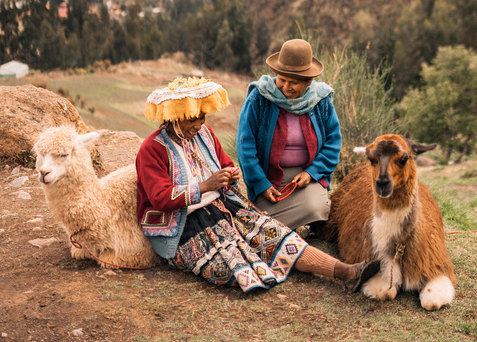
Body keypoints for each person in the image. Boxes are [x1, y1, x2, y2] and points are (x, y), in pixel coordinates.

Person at [135, 74, 375, 293]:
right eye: (192, 119)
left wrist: (230, 174)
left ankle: (347, 271)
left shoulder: (204, 135)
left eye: (202, 117)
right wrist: (206, 186)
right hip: (185, 225)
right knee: (233, 260)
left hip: (224, 207)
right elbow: (160, 198)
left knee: (276, 234)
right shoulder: (153, 149)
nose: (199, 124)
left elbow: (225, 163)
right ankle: (262, 264)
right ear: (174, 117)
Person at [236, 39, 341, 230]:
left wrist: (311, 173)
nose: (285, 87)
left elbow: (333, 143)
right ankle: (271, 226)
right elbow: (245, 145)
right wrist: (261, 184)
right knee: (263, 224)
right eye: (282, 79)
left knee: (315, 208)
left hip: (306, 176)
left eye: (294, 83)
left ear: (309, 82)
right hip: (269, 177)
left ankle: (297, 224)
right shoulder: (259, 98)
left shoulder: (321, 101)